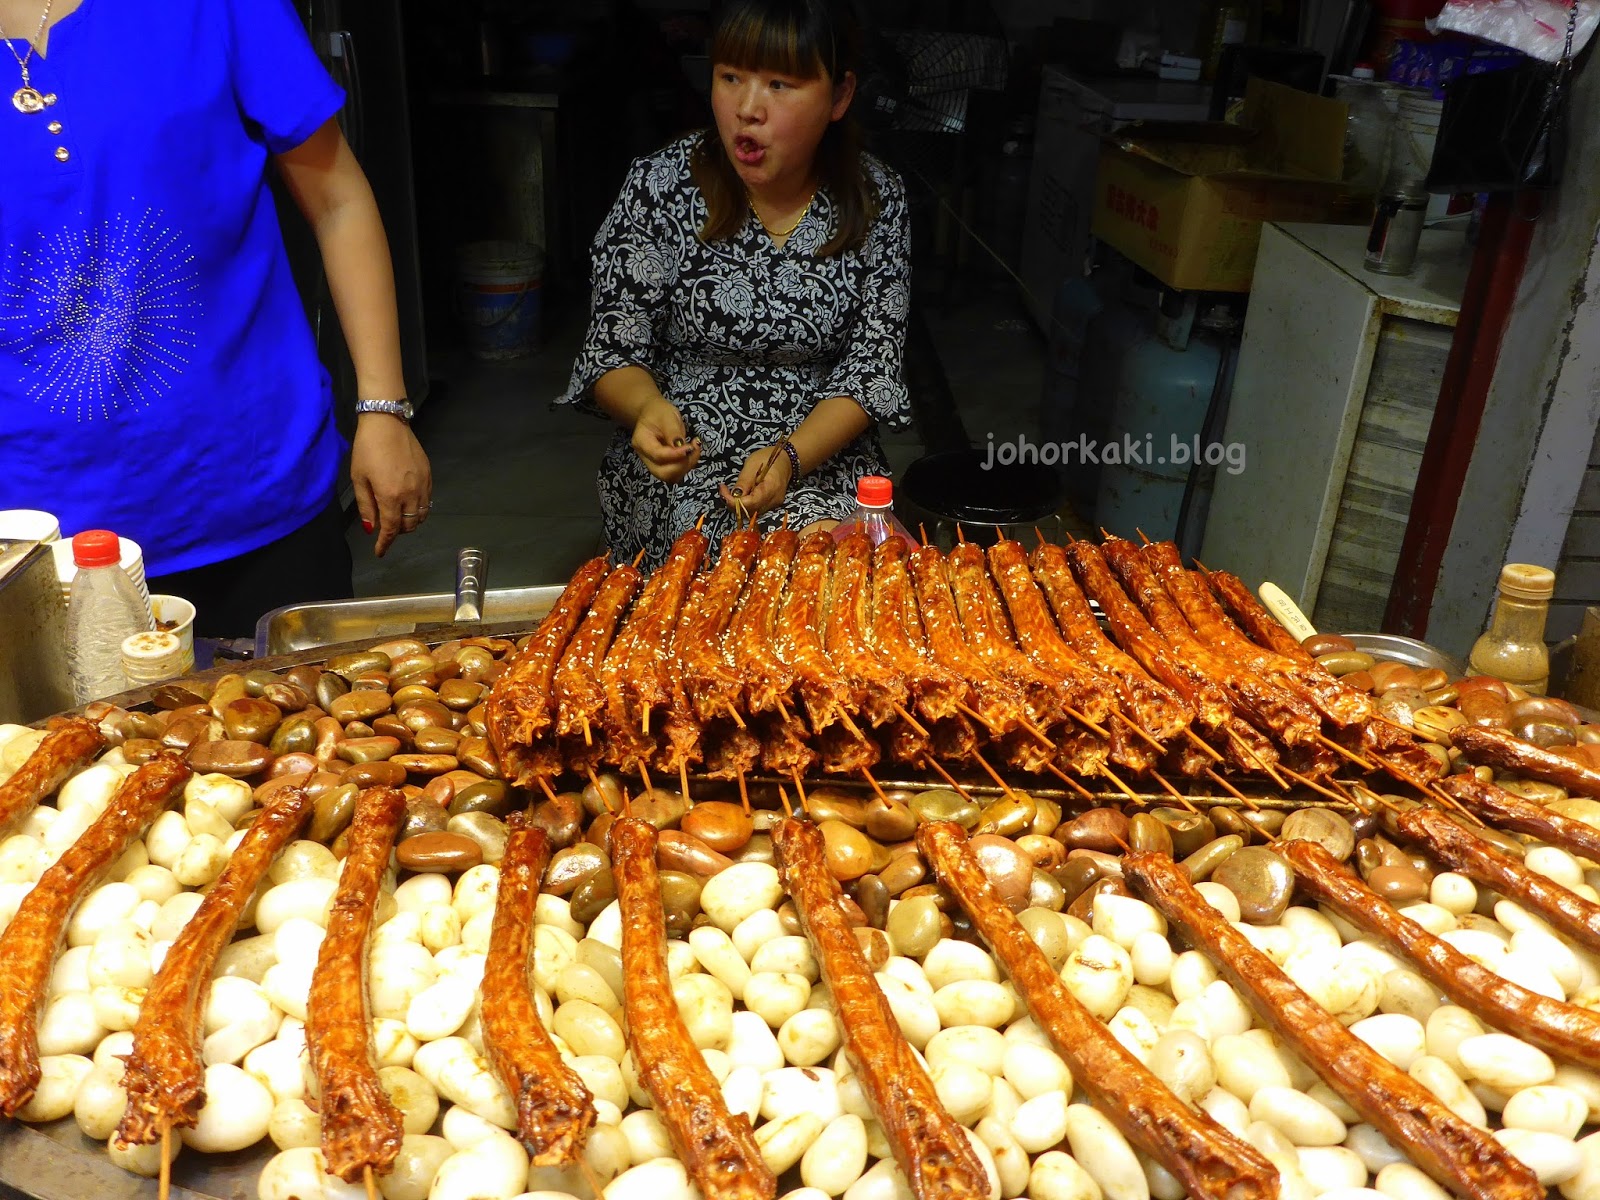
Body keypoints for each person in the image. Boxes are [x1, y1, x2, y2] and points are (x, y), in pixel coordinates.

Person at [0, 0, 431, 637]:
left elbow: (337, 198)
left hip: (254, 494)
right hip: (38, 540)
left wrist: (383, 408)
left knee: (298, 728)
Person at [559, 0, 911, 571]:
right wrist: (647, 408)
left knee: (823, 569)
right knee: (691, 593)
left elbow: (873, 369)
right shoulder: (660, 185)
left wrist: (791, 459)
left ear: (839, 97)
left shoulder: (877, 199)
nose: (748, 109)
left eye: (780, 84)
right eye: (730, 78)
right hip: (682, 456)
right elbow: (612, 351)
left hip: (818, 452)